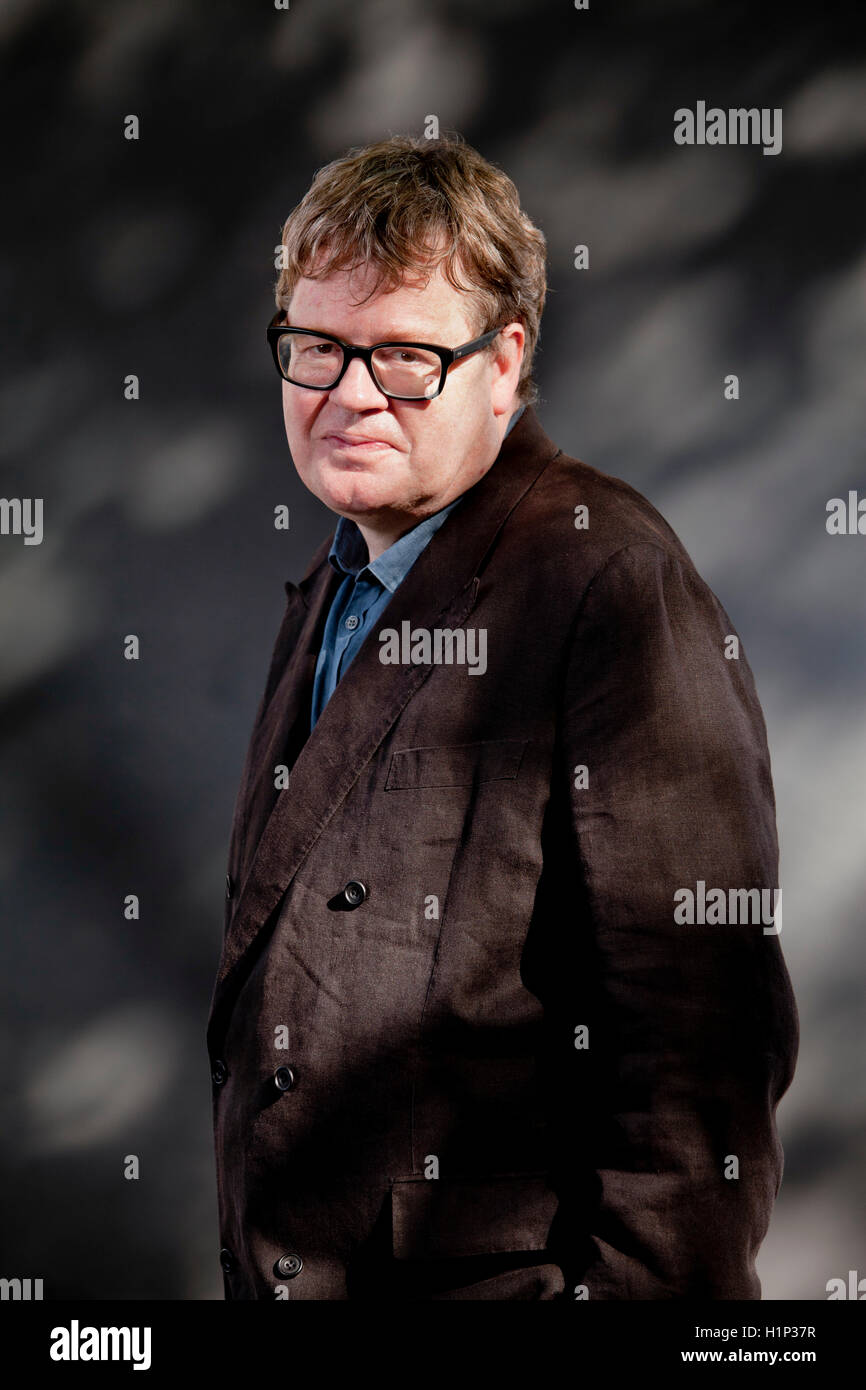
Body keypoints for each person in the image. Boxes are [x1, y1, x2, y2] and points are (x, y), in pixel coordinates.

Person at [206, 132, 799, 1301]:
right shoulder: (330, 588)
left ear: (500, 362)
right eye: (317, 347)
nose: (351, 394)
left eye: (405, 357)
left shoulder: (610, 584)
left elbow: (697, 1065)